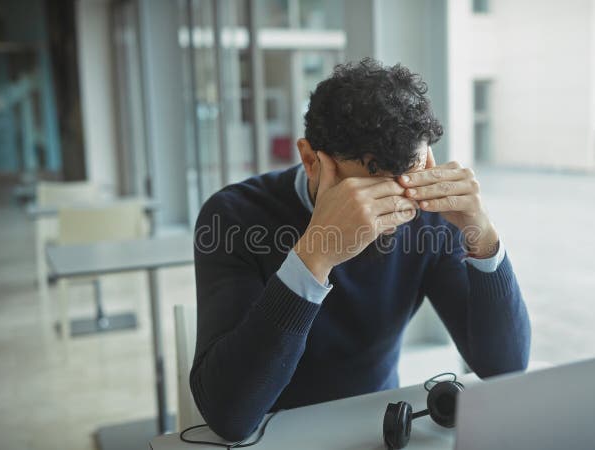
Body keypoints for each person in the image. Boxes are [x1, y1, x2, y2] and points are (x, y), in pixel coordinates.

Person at [191, 58, 530, 441]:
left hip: (376, 430)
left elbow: (505, 368)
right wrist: (315, 255)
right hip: (273, 435)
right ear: (310, 161)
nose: (393, 214)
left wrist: (481, 234)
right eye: (371, 195)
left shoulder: (430, 218)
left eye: (404, 186)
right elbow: (229, 416)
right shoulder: (234, 216)